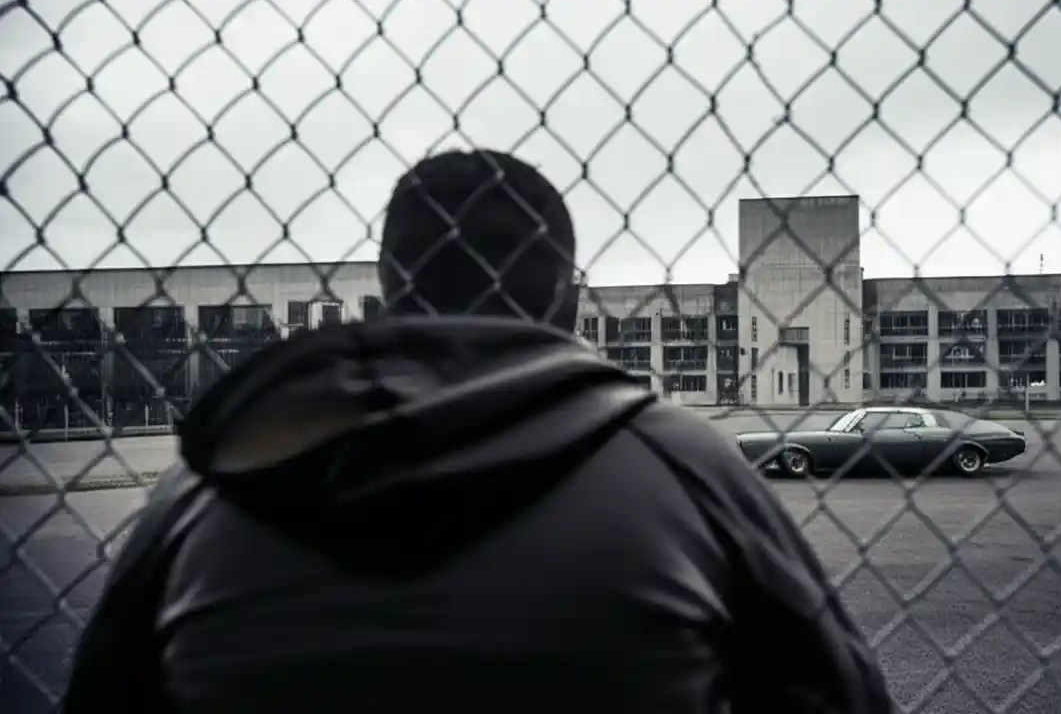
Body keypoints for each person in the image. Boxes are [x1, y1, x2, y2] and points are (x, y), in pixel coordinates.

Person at [62, 149, 891, 713]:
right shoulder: (686, 463)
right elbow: (842, 694)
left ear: (385, 301)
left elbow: (101, 691)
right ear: (569, 304)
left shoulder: (215, 473)